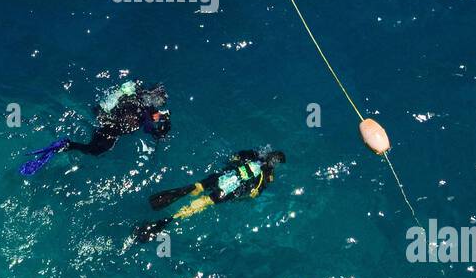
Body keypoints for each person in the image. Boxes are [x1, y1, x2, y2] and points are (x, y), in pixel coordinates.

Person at [19, 81, 170, 175]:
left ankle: (65, 145)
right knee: (96, 150)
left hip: (105, 118)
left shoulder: (136, 93)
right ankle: (67, 145)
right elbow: (150, 129)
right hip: (113, 130)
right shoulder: (145, 113)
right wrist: (160, 131)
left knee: (96, 141)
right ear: (155, 101)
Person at [133, 149, 285, 242]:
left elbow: (233, 157)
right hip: (227, 191)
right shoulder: (267, 177)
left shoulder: (253, 154)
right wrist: (241, 198)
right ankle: (158, 225)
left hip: (221, 178)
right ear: (276, 165)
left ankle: (182, 193)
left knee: (197, 187)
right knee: (200, 204)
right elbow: (253, 194)